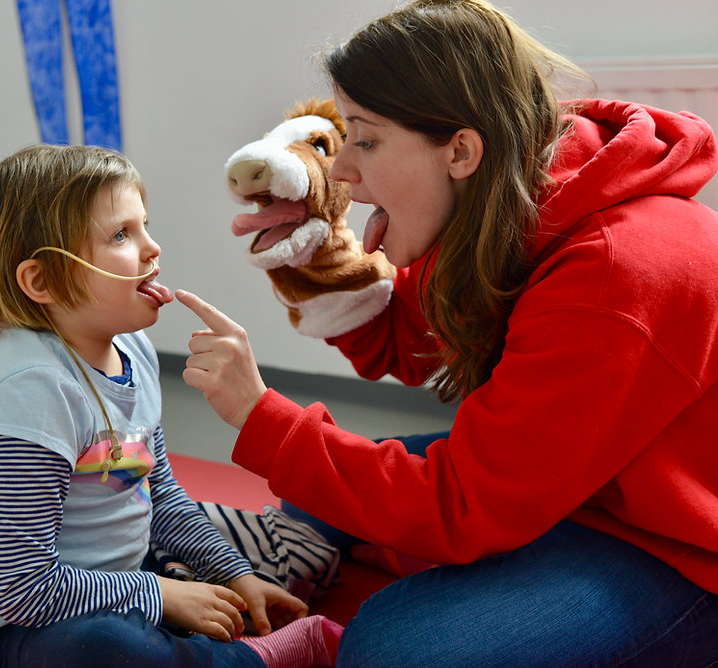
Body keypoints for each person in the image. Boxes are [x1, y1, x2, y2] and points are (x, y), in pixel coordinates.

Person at [176, 0, 718, 665]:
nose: (343, 168)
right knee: (359, 470)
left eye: (366, 139)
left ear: (459, 149)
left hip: (680, 545)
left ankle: (321, 549)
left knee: (394, 648)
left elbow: (463, 502)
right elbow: (412, 348)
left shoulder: (613, 277)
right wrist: (327, 268)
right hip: (594, 484)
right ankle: (308, 542)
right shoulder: (504, 203)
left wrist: (262, 416)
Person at [0, 144, 343, 667]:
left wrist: (234, 574)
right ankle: (250, 659)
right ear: (42, 281)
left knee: (279, 553)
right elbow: (22, 589)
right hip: (3, 633)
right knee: (110, 650)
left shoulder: (130, 346)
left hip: (115, 576)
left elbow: (156, 493)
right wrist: (159, 594)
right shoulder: (30, 391)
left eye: (144, 226)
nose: (152, 248)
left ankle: (202, 611)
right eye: (121, 235)